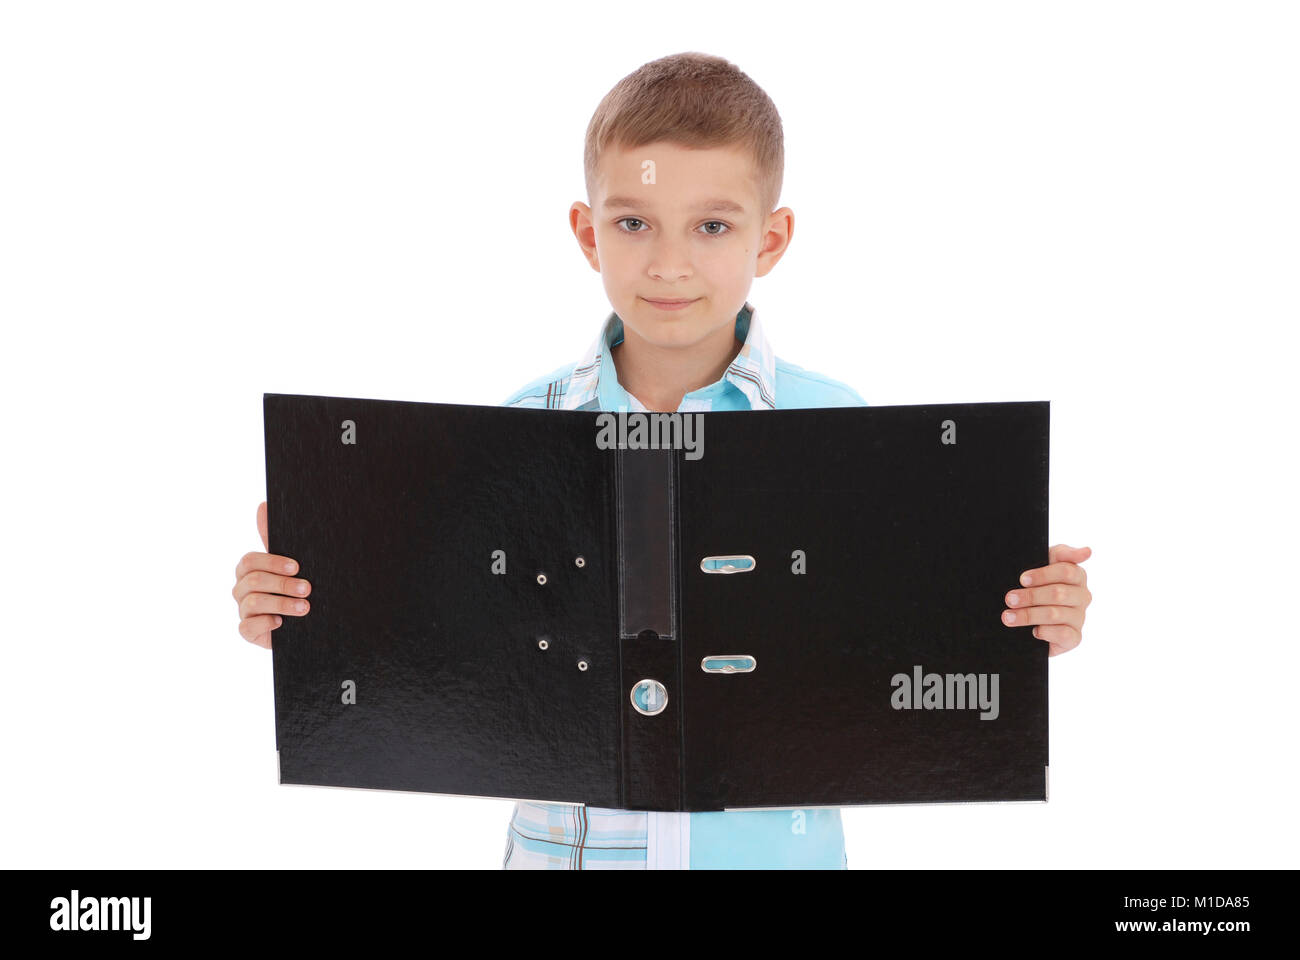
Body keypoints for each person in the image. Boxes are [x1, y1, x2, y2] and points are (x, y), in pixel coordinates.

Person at [232, 51, 1094, 869]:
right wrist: (314, 606)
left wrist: (1015, 621)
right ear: (586, 231)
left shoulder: (840, 432)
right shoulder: (516, 433)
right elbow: (433, 643)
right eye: (634, 222)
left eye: (712, 225)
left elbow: (898, 654)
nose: (670, 263)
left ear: (771, 240)